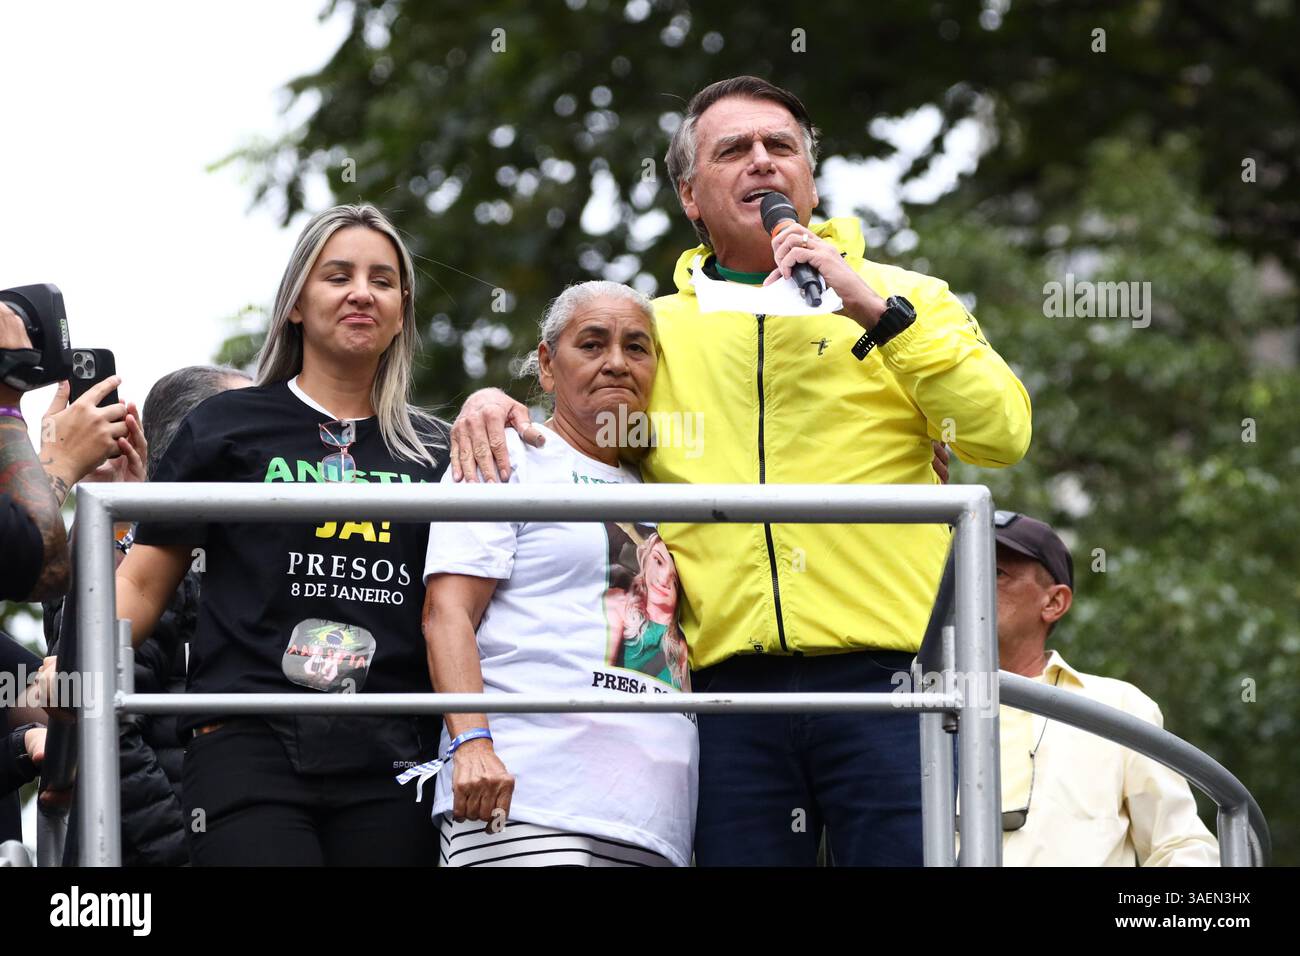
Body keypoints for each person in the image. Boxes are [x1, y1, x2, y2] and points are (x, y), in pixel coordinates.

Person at [450, 76, 1032, 865]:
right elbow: (585, 430)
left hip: (892, 687)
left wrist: (875, 312)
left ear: (811, 179)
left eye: (780, 146)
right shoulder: (655, 330)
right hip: (723, 697)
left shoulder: (906, 297)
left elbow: (1000, 434)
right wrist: (493, 403)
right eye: (734, 150)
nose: (762, 162)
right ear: (691, 195)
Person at [115, 204, 449, 866]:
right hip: (247, 739)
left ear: (401, 309)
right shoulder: (223, 425)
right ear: (296, 302)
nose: (362, 293)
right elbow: (143, 582)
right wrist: (72, 668)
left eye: (383, 280)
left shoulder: (436, 452)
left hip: (394, 748)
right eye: (338, 276)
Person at [420, 281, 697, 867]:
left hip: (655, 822)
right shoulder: (506, 457)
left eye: (637, 347)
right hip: (526, 801)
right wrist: (471, 743)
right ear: (547, 366)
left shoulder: (672, 483)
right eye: (591, 344)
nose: (616, 362)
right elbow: (446, 613)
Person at [44, 364, 251, 866]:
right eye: (251, 424)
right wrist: (186, 854)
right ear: (197, 443)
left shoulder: (261, 566)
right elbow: (103, 724)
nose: (275, 441)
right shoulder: (153, 569)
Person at [990, 510, 1219, 866]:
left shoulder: (1117, 706)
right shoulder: (918, 705)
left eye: (996, 573)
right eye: (958, 572)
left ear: (1053, 603)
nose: (969, 585)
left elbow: (1180, 845)